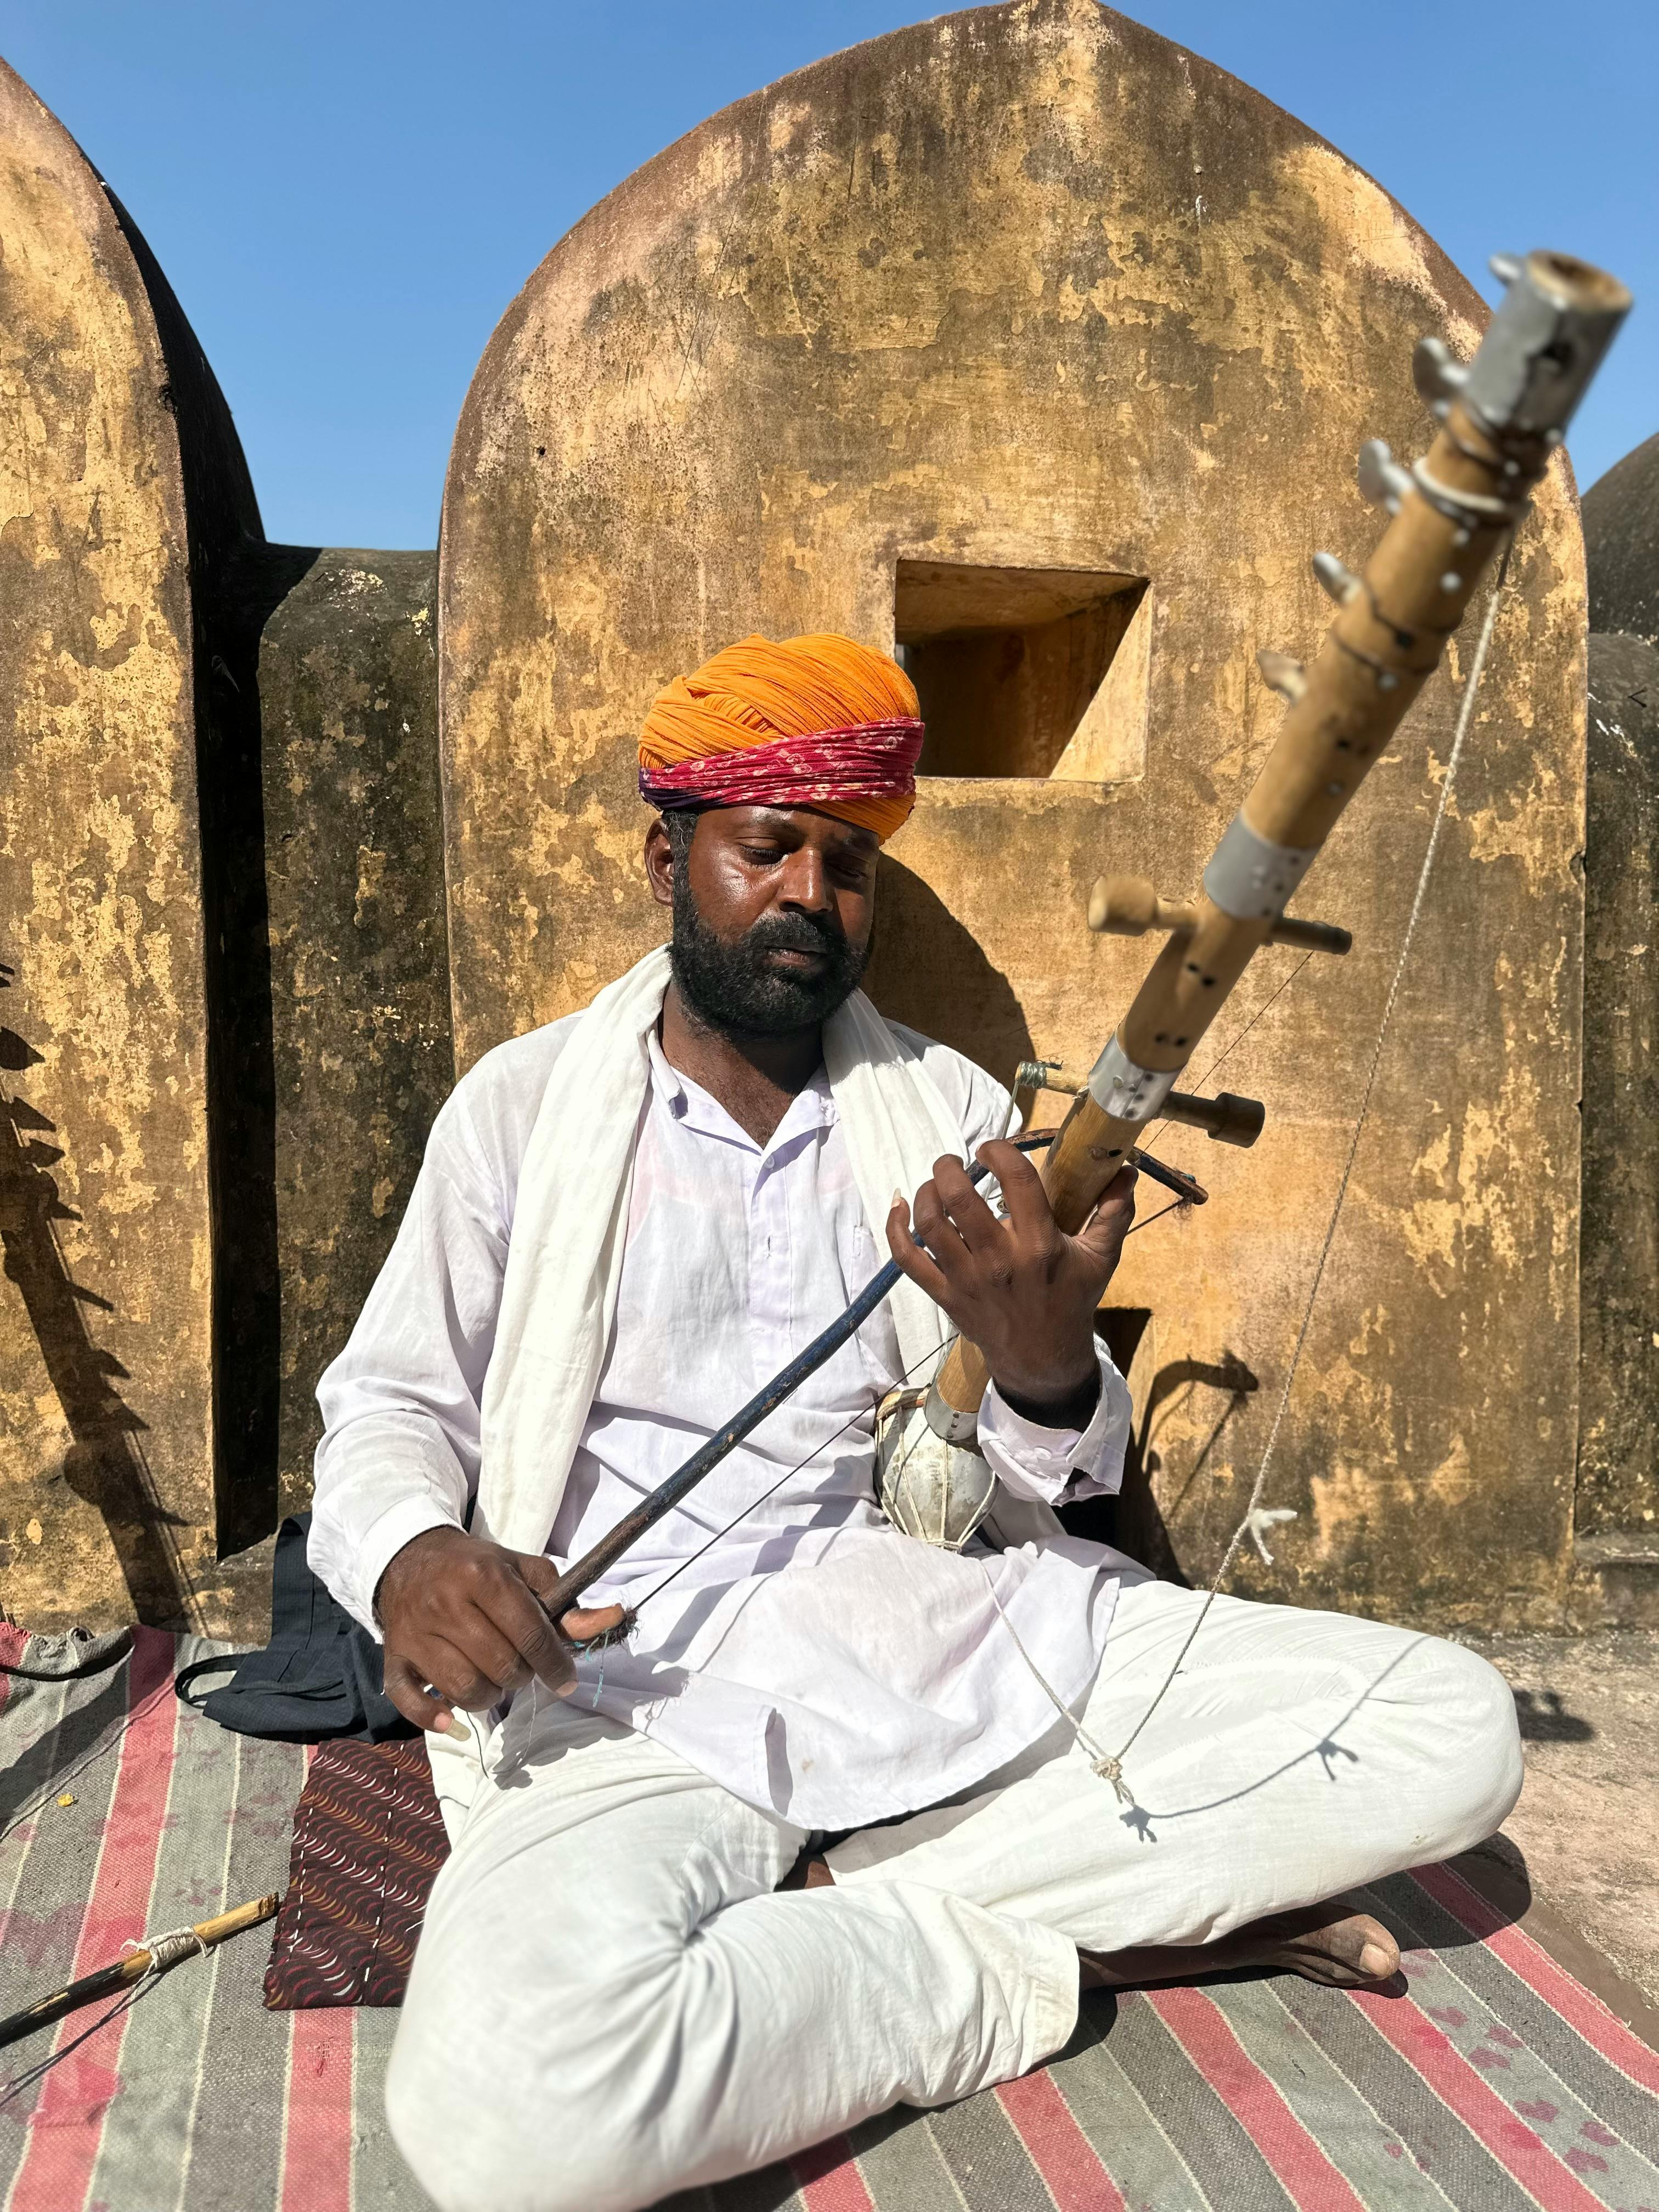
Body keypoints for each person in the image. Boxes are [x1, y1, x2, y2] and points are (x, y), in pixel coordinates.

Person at [308, 633, 1521, 2212]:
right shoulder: (522, 1109)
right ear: (667, 857)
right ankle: (1047, 1942)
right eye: (770, 849)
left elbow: (1022, 1482)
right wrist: (415, 1560)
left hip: (945, 1641)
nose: (816, 893)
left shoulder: (947, 1115)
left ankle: (835, 1902)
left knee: (1454, 1736)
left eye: (852, 862)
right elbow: (390, 1400)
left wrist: (1044, 1371)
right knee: (507, 2118)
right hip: (629, 1698)